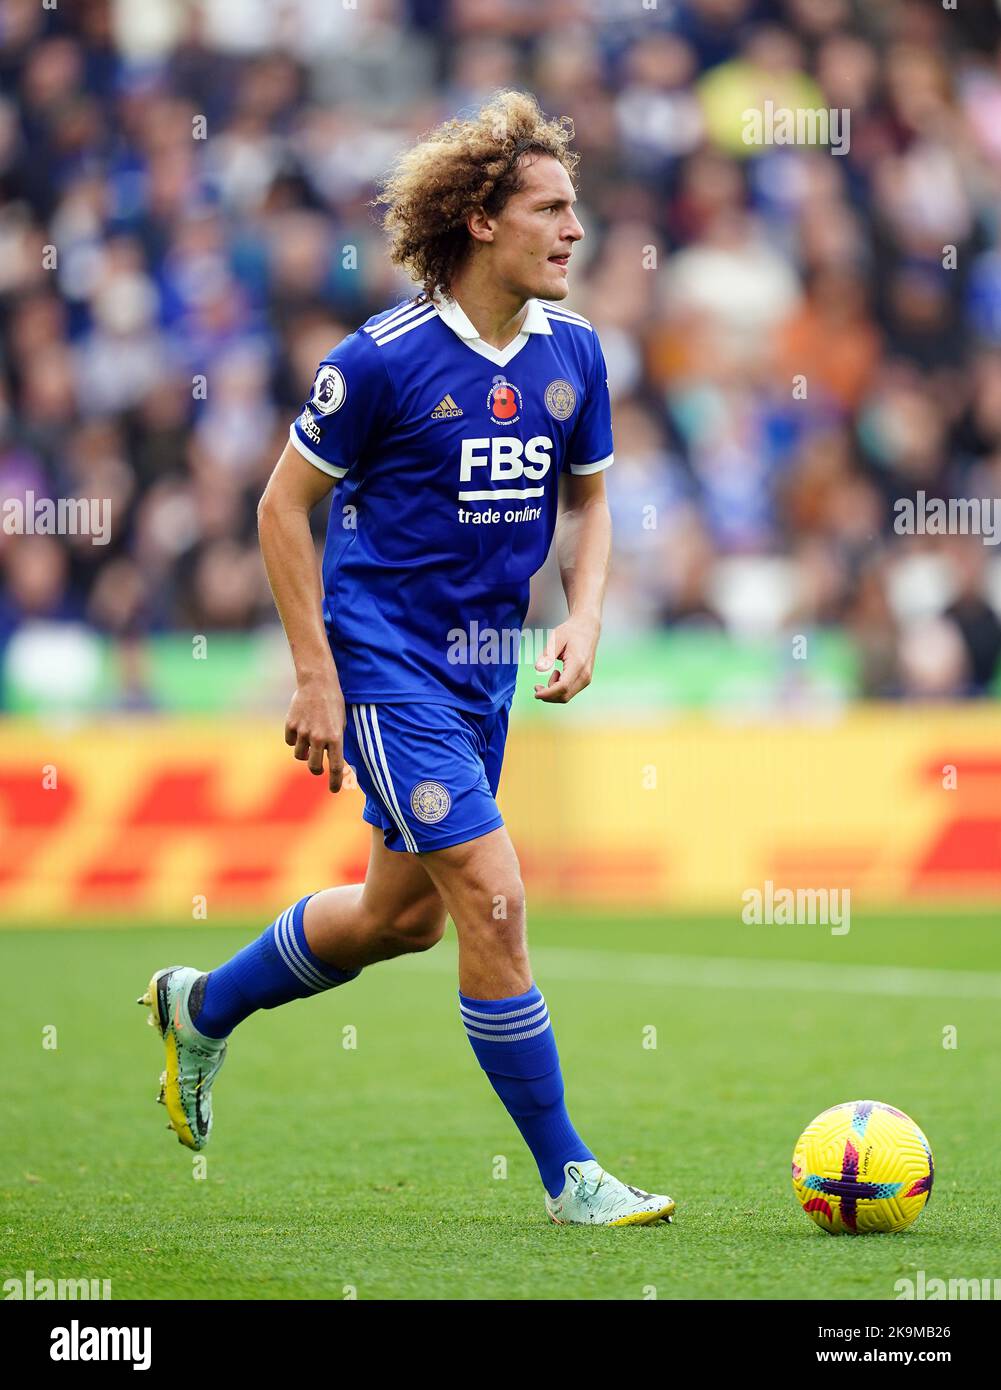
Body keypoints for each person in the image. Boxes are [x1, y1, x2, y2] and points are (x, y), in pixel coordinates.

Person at [139, 90, 675, 1227]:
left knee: (402, 918)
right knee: (492, 897)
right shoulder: (379, 362)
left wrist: (580, 616)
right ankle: (568, 1174)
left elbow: (588, 503)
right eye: (552, 208)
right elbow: (282, 510)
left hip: (485, 673)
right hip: (385, 669)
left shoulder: (575, 352)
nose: (576, 230)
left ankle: (201, 1006)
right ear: (482, 219)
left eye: (575, 208)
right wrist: (317, 675)